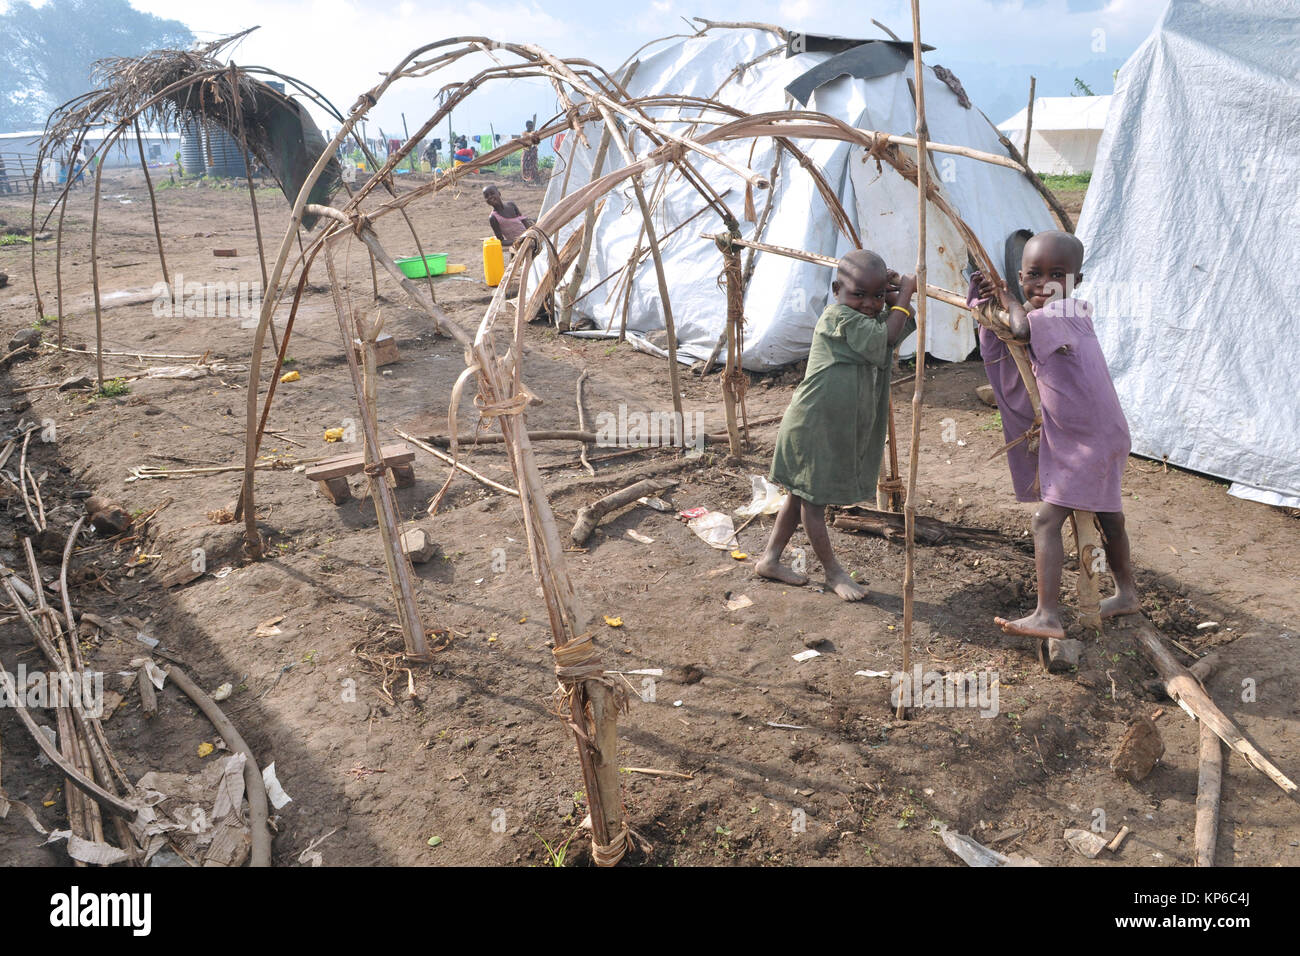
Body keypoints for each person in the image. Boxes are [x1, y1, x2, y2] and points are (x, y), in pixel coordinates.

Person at [970, 230, 1138, 639]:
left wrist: (1008, 299)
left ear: (1076, 279)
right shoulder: (1068, 311)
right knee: (1110, 519)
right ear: (1021, 275)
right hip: (1100, 434)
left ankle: (1047, 614)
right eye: (1034, 274)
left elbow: (1022, 329)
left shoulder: (1063, 314)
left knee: (1046, 522)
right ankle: (1126, 593)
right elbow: (1013, 325)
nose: (1044, 283)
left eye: (1057, 274)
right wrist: (990, 300)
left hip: (1087, 441)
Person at [757, 250, 917, 601]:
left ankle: (769, 559)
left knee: (801, 495)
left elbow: (898, 325)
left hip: (830, 426)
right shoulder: (839, 319)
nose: (868, 304)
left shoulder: (866, 320)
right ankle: (834, 573)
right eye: (858, 294)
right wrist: (903, 293)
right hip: (814, 426)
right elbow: (886, 337)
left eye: (876, 296)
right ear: (836, 291)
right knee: (813, 503)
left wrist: (893, 298)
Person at [520, 119, 539, 183]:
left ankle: (534, 179)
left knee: (533, 166)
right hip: (526, 151)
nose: (531, 127)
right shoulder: (524, 133)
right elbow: (524, 142)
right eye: (530, 126)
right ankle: (525, 179)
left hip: (533, 151)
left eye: (532, 126)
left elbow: (536, 142)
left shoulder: (534, 133)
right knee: (525, 165)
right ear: (526, 126)